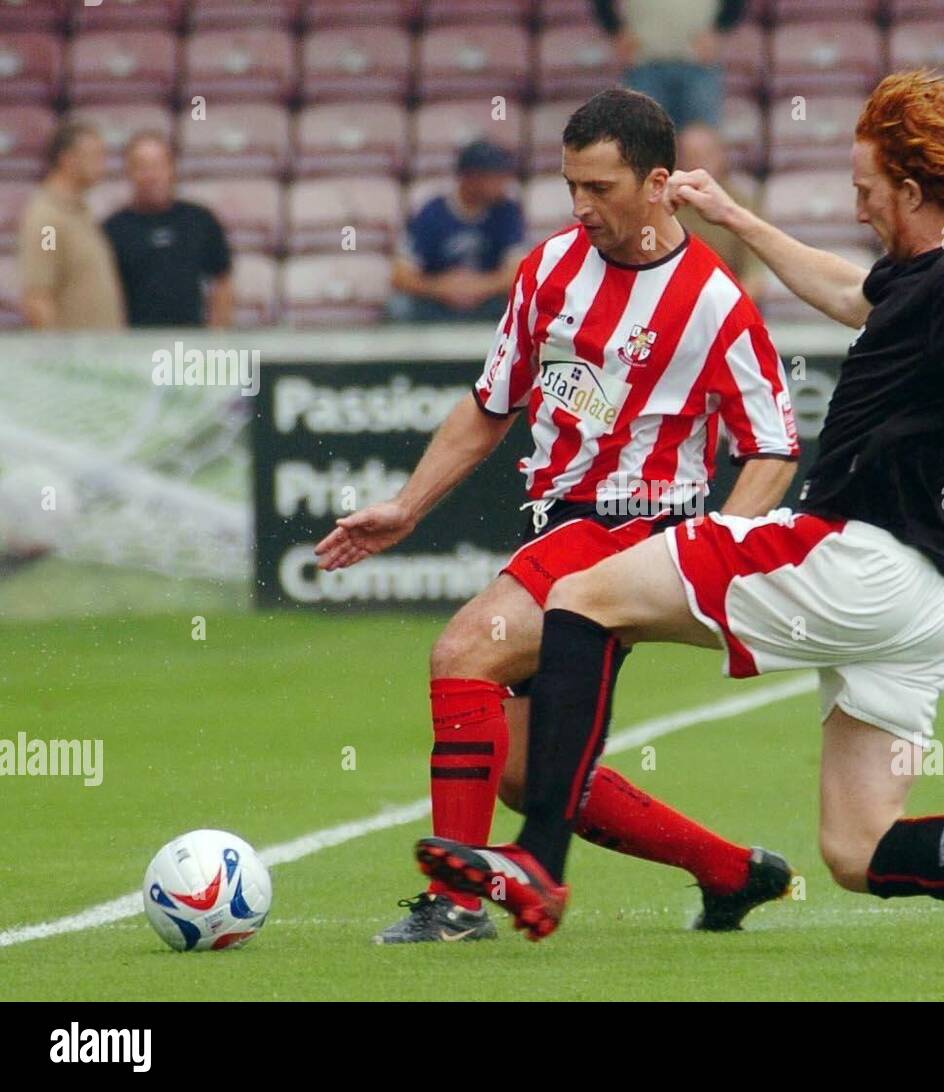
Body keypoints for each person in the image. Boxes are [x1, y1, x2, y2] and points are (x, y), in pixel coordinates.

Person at [416, 71, 944, 958]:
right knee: (860, 848)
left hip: (849, 556)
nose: (859, 204)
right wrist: (741, 219)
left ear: (912, 192)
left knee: (580, 598)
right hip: (923, 602)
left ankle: (538, 861)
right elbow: (855, 295)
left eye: (866, 189)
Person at [315, 89, 801, 944]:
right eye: (571, 184)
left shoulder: (713, 301)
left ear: (658, 184)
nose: (582, 205)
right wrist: (407, 506)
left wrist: (710, 549)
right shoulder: (548, 269)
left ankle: (457, 906)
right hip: (557, 525)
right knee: (526, 771)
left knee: (462, 649)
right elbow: (489, 406)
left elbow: (773, 446)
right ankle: (733, 872)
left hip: (634, 531)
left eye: (601, 188)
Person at [103, 132, 233, 328]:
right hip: (132, 345)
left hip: (189, 345)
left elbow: (221, 280)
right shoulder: (112, 229)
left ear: (172, 169)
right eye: (141, 167)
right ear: (128, 172)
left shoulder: (200, 220)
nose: (150, 176)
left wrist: (217, 337)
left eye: (157, 166)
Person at [388, 140, 525, 323]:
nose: (503, 183)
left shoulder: (507, 210)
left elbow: (517, 272)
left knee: (523, 302)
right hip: (437, 301)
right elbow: (400, 276)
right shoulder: (431, 212)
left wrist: (478, 286)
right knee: (399, 306)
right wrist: (442, 288)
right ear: (470, 178)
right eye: (495, 176)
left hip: (486, 300)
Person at [17, 121, 125, 330]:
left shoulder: (80, 212)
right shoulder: (47, 220)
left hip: (99, 351)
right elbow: (39, 296)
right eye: (95, 156)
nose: (103, 164)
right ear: (68, 160)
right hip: (76, 357)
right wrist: (58, 355)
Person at [594, 0, 745, 129]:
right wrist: (616, 30)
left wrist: (719, 29)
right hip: (644, 63)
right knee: (645, 144)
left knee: (699, 141)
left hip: (699, 65)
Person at [675, 123, 766, 302]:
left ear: (722, 156)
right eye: (690, 156)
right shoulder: (663, 206)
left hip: (726, 304)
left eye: (706, 155)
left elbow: (755, 277)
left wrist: (726, 310)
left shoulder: (741, 205)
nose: (698, 164)